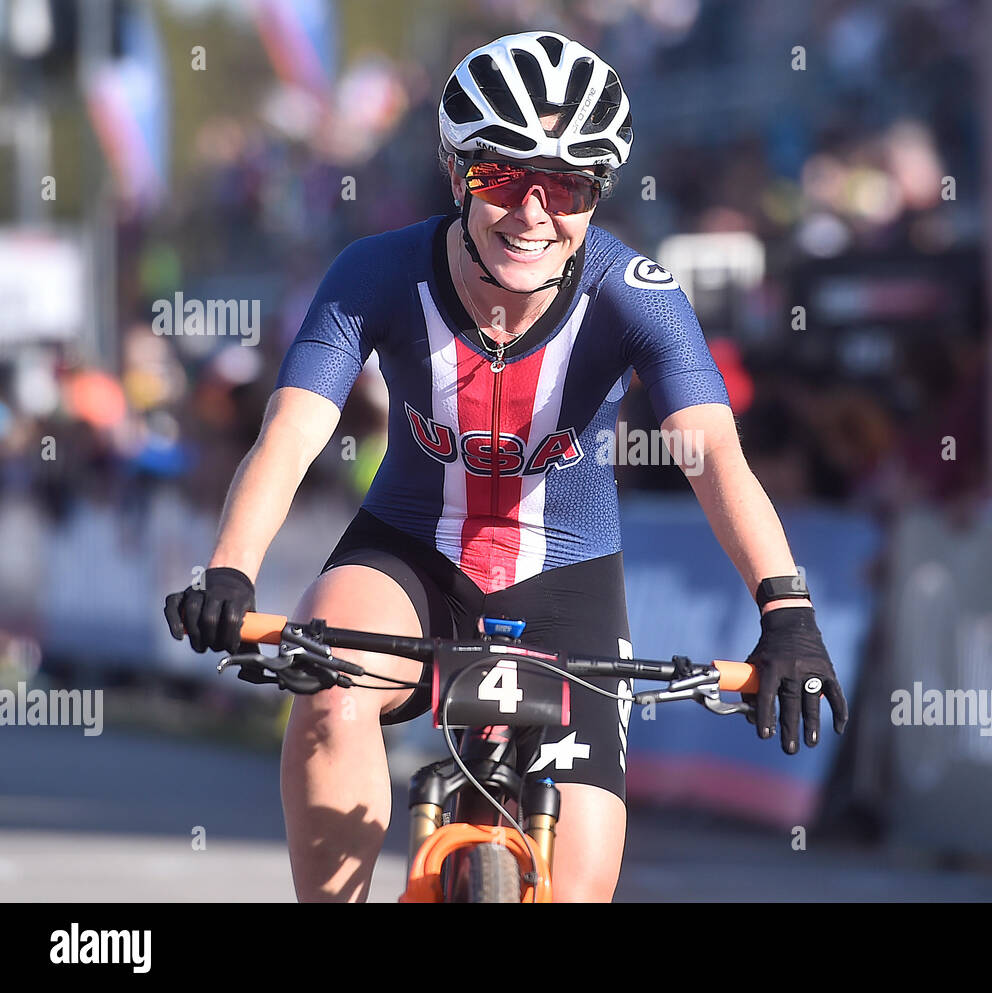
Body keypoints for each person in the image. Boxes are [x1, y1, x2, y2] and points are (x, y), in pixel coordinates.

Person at [164, 30, 847, 903]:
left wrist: (786, 608)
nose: (532, 211)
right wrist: (230, 569)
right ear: (457, 176)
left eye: (564, 186)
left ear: (596, 195)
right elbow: (292, 431)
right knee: (329, 698)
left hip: (567, 580)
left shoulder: (636, 290)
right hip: (408, 555)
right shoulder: (373, 272)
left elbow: (713, 450)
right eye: (501, 177)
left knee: (575, 888)